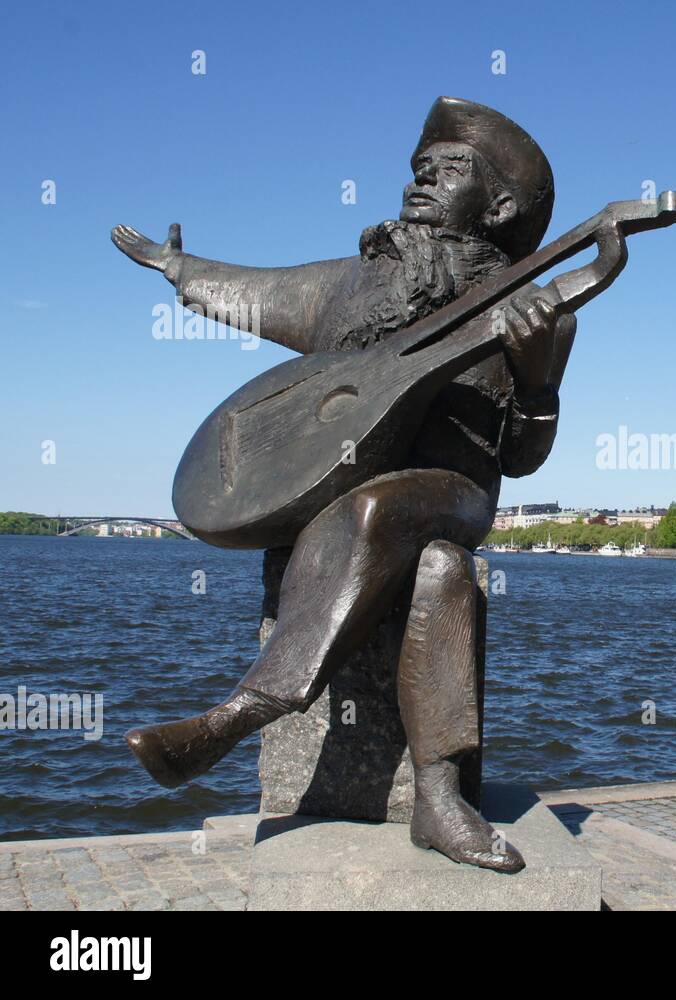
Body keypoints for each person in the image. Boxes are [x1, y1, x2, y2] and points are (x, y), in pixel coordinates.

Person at [112, 98, 573, 873]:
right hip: (363, 504)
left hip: (458, 491)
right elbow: (256, 290)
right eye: (419, 167)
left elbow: (523, 458)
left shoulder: (540, 310)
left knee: (378, 512)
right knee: (438, 569)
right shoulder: (350, 284)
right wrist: (181, 269)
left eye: (450, 169)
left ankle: (246, 710)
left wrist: (538, 383)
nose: (423, 178)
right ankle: (438, 797)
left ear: (497, 205)